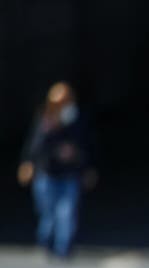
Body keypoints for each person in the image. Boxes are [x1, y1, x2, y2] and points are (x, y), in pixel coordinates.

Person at [17, 81, 97, 258]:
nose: (61, 105)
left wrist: (87, 168)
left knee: (66, 214)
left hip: (69, 175)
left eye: (65, 101)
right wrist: (28, 163)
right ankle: (46, 242)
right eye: (57, 102)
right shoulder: (45, 119)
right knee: (48, 216)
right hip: (47, 174)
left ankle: (63, 248)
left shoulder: (77, 120)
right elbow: (34, 145)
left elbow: (87, 145)